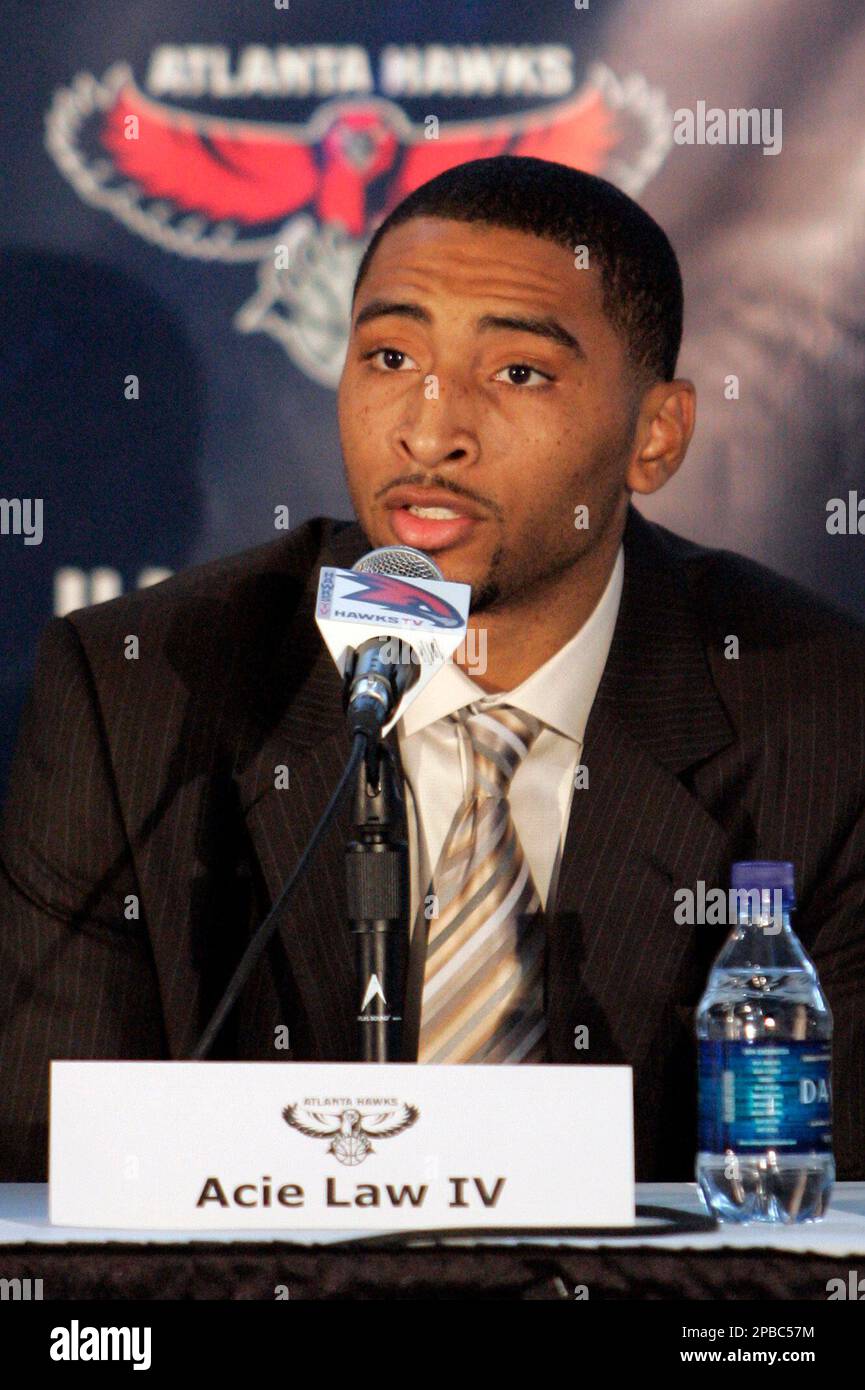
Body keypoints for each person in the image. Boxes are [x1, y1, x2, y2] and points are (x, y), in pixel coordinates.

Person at [1, 156, 863, 1185]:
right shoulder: (142, 692)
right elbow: (55, 1166)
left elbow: (831, 1196)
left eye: (517, 373)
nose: (429, 428)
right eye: (390, 355)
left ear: (655, 436)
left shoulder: (818, 718)